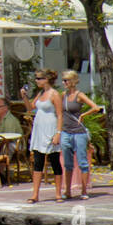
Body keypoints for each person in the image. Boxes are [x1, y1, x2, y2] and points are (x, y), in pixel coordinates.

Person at [22, 69, 63, 204]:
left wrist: (58, 133)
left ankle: (58, 194)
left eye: (39, 78)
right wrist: (24, 97)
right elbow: (30, 108)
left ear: (46, 79)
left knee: (54, 161)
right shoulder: (40, 93)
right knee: (38, 162)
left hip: (50, 128)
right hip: (39, 130)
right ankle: (35, 194)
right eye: (36, 78)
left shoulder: (54, 94)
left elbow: (60, 114)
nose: (37, 80)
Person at [58, 70, 100, 201]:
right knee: (67, 163)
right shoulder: (62, 95)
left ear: (73, 81)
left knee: (82, 162)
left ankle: (83, 190)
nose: (64, 82)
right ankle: (68, 190)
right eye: (63, 80)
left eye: (66, 80)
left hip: (78, 132)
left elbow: (95, 107)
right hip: (66, 131)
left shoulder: (79, 95)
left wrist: (83, 115)